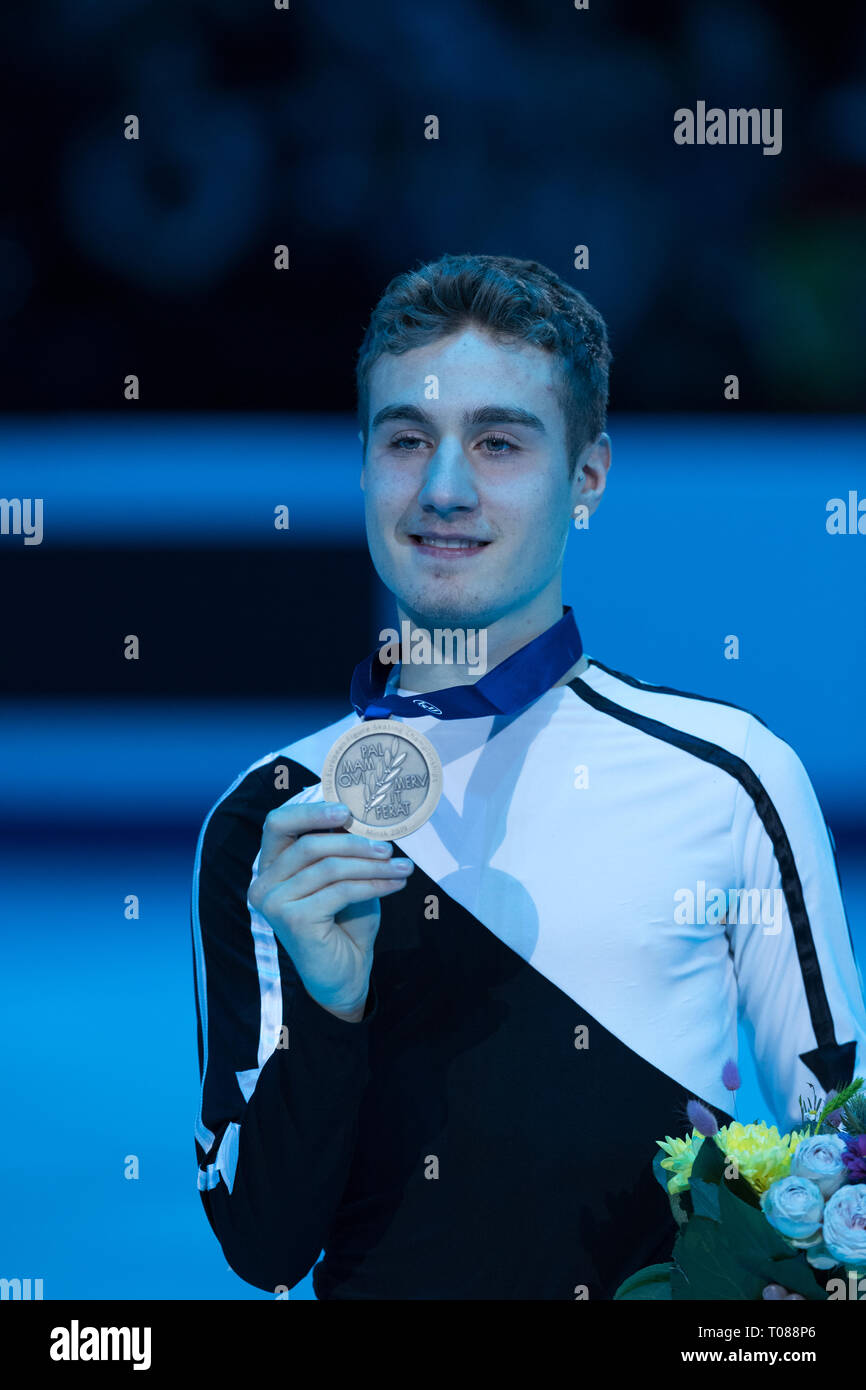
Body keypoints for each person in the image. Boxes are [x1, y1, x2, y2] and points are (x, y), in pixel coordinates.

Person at [191, 252, 866, 1300]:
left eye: (498, 442)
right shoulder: (274, 815)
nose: (443, 488)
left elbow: (846, 1163)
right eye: (405, 440)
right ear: (363, 465)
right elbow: (262, 1246)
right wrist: (329, 1007)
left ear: (586, 477)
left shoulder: (731, 776)